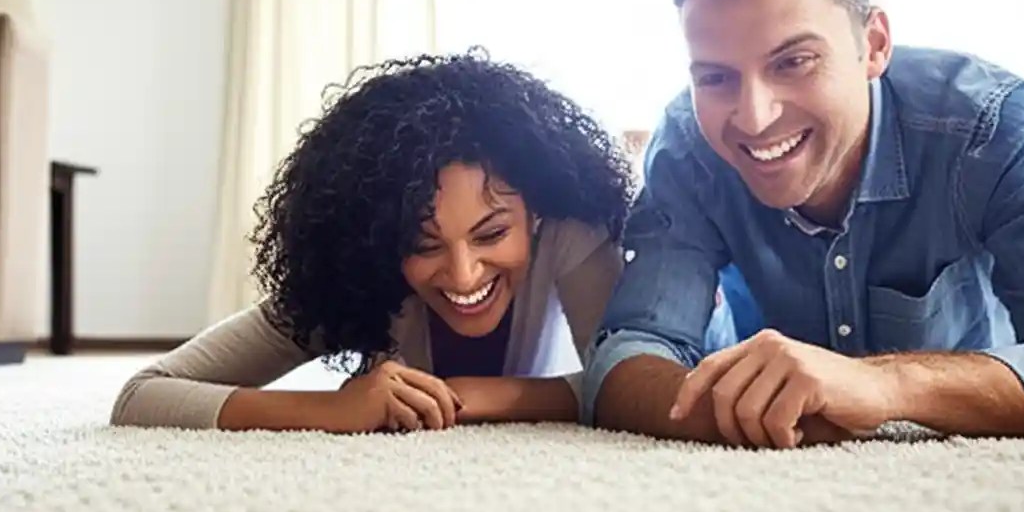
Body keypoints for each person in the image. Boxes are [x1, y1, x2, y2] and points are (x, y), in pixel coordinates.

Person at [586, 0, 1024, 447]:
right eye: (715, 77)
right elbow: (628, 352)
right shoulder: (689, 145)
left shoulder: (988, 127)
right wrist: (755, 414)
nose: (754, 116)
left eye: (793, 62)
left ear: (874, 44)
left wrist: (885, 384)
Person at [111, 50, 634, 432]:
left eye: (491, 234)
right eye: (424, 244)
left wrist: (484, 395)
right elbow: (142, 396)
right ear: (380, 235)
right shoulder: (357, 267)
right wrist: (332, 411)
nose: (463, 273)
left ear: (536, 211)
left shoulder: (573, 233)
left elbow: (625, 385)